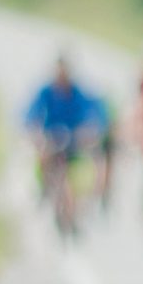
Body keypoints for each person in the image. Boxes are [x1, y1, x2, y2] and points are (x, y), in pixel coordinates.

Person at [24, 57, 110, 225]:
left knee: (84, 170)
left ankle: (80, 206)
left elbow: (92, 113)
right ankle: (43, 187)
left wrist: (90, 130)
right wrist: (35, 132)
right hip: (51, 138)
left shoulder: (78, 93)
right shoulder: (45, 92)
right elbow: (31, 114)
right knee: (43, 156)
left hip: (73, 140)